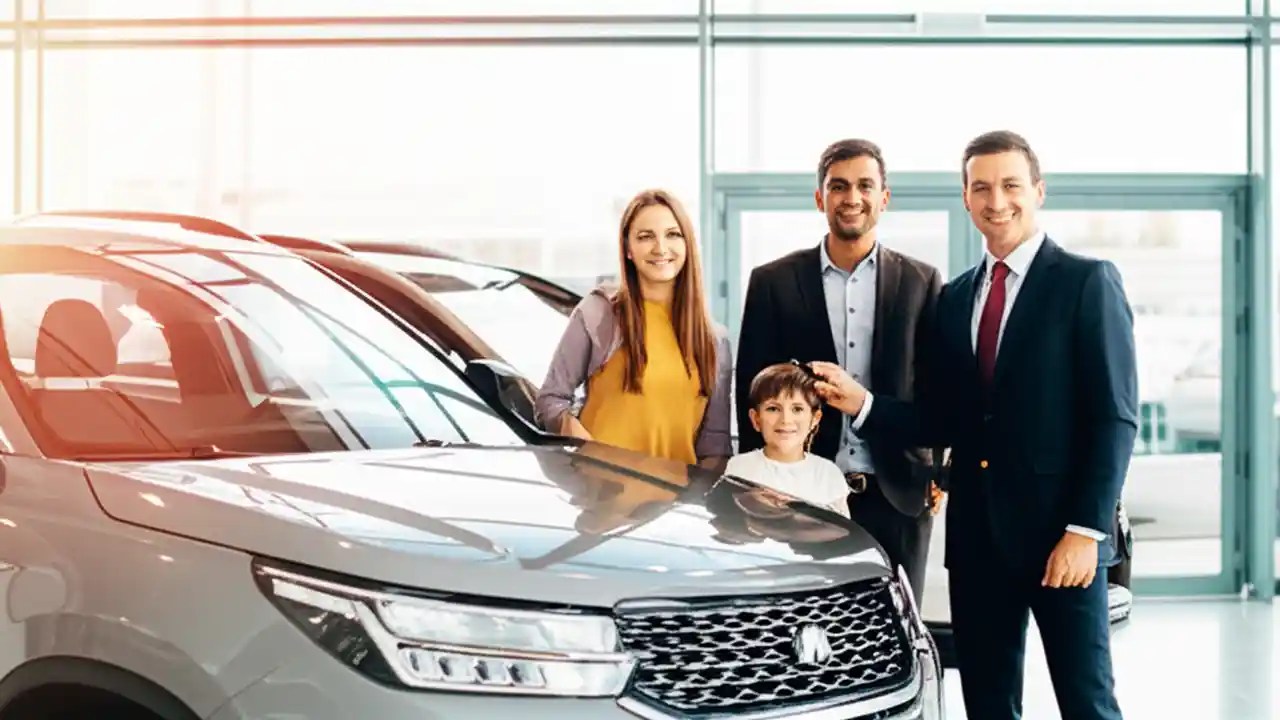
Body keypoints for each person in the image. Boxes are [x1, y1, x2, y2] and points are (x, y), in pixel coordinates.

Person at [811, 130, 1136, 720]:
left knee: (1087, 703)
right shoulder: (956, 297)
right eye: (981, 187)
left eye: (1011, 185)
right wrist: (864, 404)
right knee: (987, 705)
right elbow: (943, 417)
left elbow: (1113, 417)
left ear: (1038, 191)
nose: (997, 200)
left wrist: (1086, 531)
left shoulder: (1087, 283)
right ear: (965, 198)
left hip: (1061, 538)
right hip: (978, 541)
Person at [734, 138, 945, 601]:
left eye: (865, 186)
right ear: (819, 197)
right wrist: (758, 487)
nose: (852, 198)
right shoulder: (772, 283)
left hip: (898, 500)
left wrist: (937, 474)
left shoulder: (921, 282)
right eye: (839, 186)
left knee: (894, 634)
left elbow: (936, 397)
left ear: (884, 197)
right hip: (796, 496)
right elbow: (750, 393)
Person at [536, 189, 732, 472]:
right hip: (602, 502)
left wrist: (698, 503)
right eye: (645, 236)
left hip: (674, 507)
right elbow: (550, 401)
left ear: (688, 244)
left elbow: (714, 445)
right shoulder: (599, 312)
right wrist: (588, 452)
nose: (661, 248)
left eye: (673, 235)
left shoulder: (715, 339)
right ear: (628, 249)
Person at [725, 362, 850, 518]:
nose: (786, 420)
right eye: (773, 409)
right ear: (756, 419)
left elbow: (842, 534)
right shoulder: (739, 468)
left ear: (815, 419)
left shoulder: (828, 474)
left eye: (797, 409)